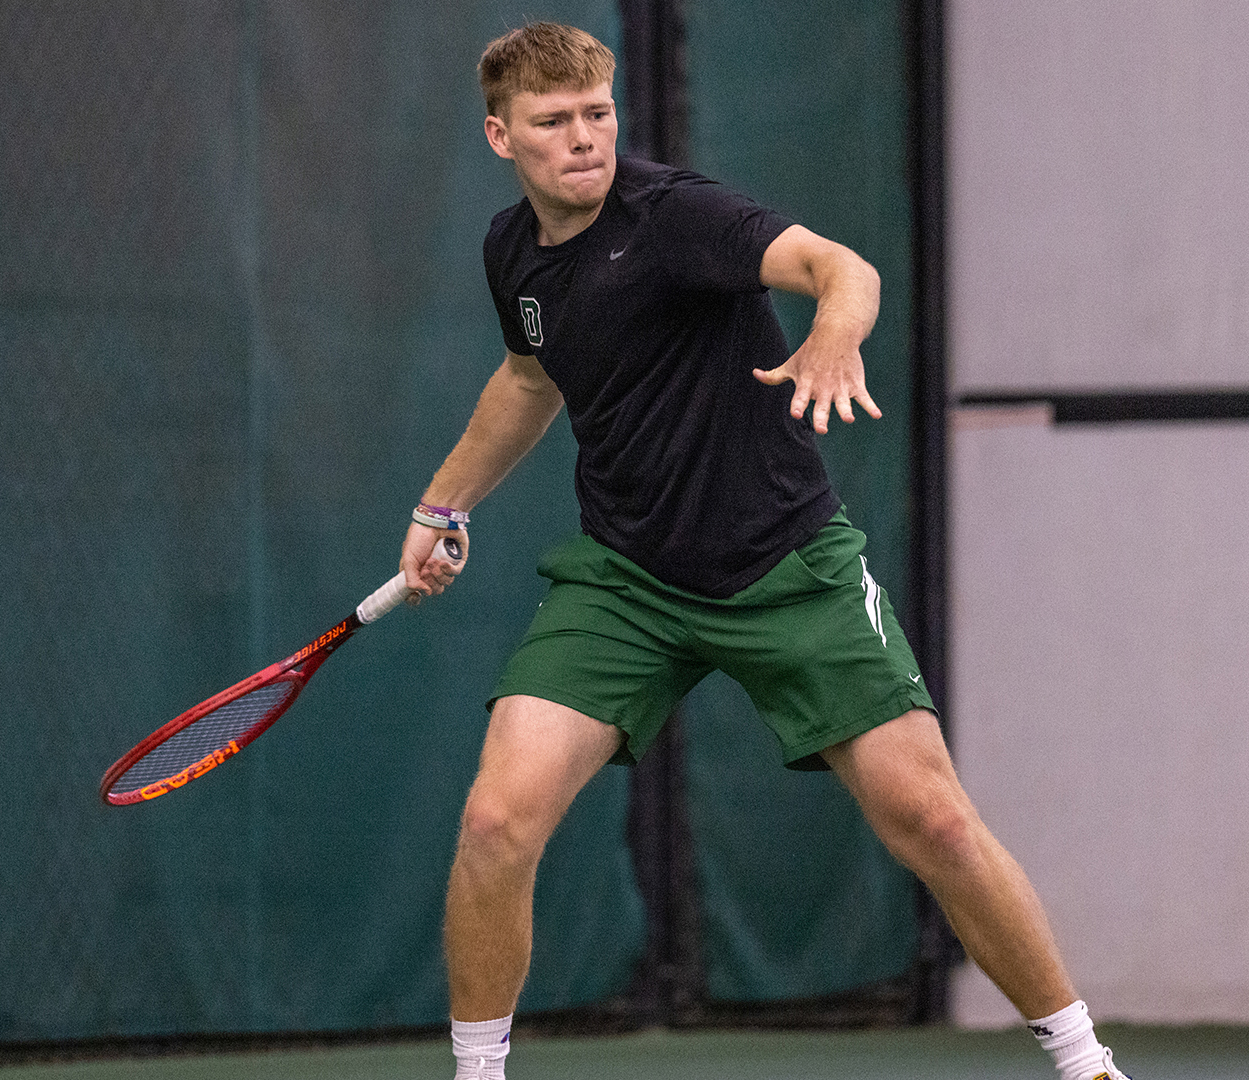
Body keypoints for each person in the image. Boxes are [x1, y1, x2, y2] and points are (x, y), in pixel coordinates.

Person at [397, 21, 1132, 1080]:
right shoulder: (510, 251)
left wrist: (833, 330)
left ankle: (1083, 1061)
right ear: (499, 136)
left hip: (787, 567)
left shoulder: (676, 218)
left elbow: (839, 266)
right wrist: (444, 504)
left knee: (934, 820)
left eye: (597, 114)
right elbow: (529, 379)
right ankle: (477, 1075)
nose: (584, 139)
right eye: (553, 123)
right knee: (497, 820)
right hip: (626, 581)